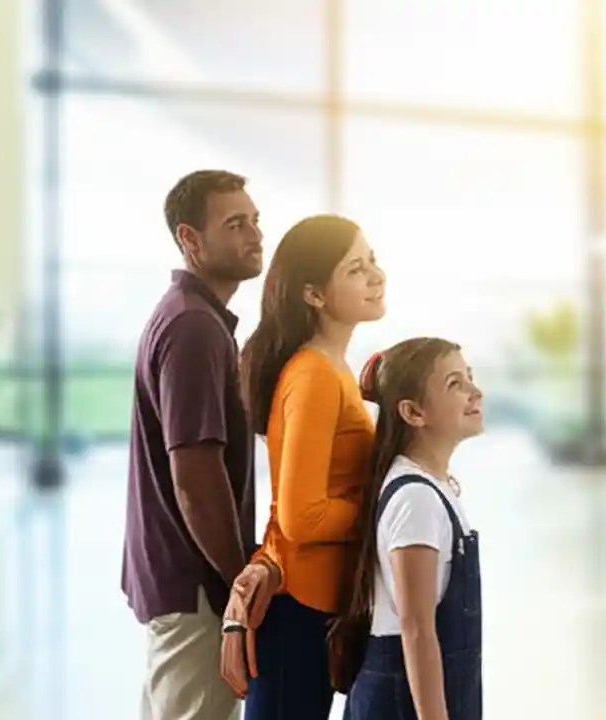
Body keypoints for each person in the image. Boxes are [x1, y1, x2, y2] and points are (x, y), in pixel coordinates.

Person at [123, 169, 279, 720]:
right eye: (235, 224)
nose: (255, 234)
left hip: (180, 580)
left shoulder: (194, 319)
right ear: (190, 239)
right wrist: (242, 580)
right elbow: (195, 476)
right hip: (197, 586)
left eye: (255, 220)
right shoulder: (193, 329)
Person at [219, 214, 387, 719]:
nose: (376, 276)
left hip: (315, 604)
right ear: (314, 294)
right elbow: (302, 515)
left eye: (373, 261)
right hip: (298, 610)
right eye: (356, 268)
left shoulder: (333, 369)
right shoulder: (313, 374)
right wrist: (380, 508)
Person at [336, 337, 485, 720]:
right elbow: (416, 628)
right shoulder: (415, 498)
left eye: (469, 378)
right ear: (413, 412)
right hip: (400, 699)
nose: (475, 392)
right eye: (456, 384)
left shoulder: (434, 486)